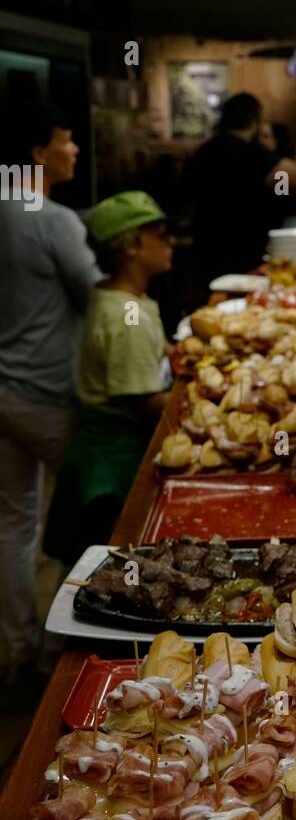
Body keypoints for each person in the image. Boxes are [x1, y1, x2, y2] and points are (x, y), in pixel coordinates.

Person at [0, 103, 99, 684]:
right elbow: (95, 294)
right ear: (39, 154)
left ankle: (15, 657)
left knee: (14, 525)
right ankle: (70, 648)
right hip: (48, 395)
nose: (75, 150)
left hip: (3, 391)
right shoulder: (53, 218)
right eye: (67, 140)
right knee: (84, 517)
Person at [44, 192, 174, 563]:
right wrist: (198, 396)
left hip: (100, 451)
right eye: (161, 234)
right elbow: (145, 403)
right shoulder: (125, 317)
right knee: (103, 569)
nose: (171, 243)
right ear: (132, 245)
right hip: (111, 467)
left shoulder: (119, 298)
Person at [187, 93, 296, 287]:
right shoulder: (248, 152)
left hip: (207, 249)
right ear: (254, 120)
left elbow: (284, 191)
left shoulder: (204, 152)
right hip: (243, 255)